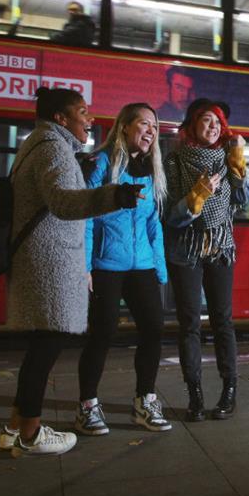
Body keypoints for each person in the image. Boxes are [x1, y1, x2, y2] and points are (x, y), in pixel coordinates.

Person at [0, 87, 142, 457]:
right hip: (51, 262)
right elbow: (63, 202)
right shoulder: (53, 148)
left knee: (42, 346)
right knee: (46, 347)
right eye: (82, 112)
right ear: (61, 118)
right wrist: (114, 195)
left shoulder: (41, 144)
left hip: (45, 259)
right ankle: (30, 433)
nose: (90, 119)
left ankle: (15, 426)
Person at [75, 103, 172, 436]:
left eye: (155, 127)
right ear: (125, 127)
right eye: (144, 124)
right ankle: (88, 406)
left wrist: (159, 270)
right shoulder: (103, 163)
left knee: (154, 329)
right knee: (102, 333)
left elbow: (153, 225)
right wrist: (85, 266)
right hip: (106, 263)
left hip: (141, 264)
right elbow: (86, 216)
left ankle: (145, 401)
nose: (150, 131)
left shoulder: (152, 168)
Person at [164, 98, 249, 421]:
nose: (213, 126)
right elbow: (171, 217)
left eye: (217, 122)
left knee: (222, 321)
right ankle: (195, 394)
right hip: (185, 249)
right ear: (191, 125)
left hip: (220, 247)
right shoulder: (174, 161)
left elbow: (244, 199)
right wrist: (196, 197)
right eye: (206, 120)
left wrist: (240, 162)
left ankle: (229, 390)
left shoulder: (229, 158)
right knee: (189, 324)